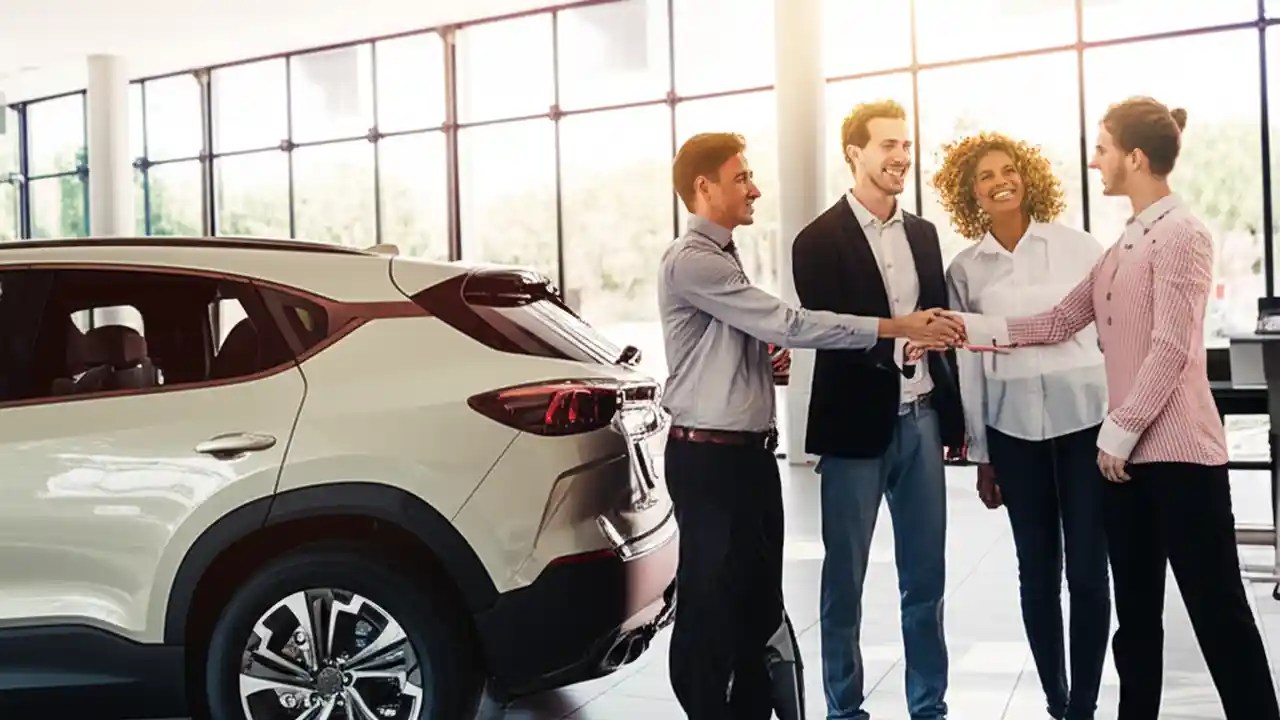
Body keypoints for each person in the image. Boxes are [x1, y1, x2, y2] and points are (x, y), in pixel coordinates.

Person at [951, 97, 1280, 720]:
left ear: (1134, 157)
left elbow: (1173, 348)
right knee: (1135, 627)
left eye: (1102, 149)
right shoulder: (1124, 244)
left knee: (1220, 616)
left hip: (1179, 457)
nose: (1095, 161)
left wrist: (1117, 435)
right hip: (1124, 466)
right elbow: (1057, 320)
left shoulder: (1183, 234)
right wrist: (961, 326)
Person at [659, 131, 963, 720]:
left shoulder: (725, 253)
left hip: (748, 456)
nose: (755, 188)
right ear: (703, 187)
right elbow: (789, 321)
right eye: (741, 177)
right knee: (709, 605)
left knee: (756, 603)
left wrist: (757, 362)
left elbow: (738, 335)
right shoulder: (692, 259)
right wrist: (895, 327)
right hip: (709, 460)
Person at [791, 99, 964, 720]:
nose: (900, 157)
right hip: (853, 429)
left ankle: (930, 707)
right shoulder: (815, 240)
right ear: (854, 153)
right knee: (845, 584)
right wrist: (897, 335)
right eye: (887, 145)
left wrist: (935, 338)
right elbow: (834, 330)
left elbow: (938, 318)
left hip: (921, 419)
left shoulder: (924, 234)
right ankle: (844, 709)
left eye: (905, 144)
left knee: (926, 581)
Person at [932, 131, 1111, 720]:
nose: (999, 181)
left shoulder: (1078, 247)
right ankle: (1057, 702)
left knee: (1087, 572)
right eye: (984, 176)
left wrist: (1120, 431)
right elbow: (971, 365)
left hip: (1084, 424)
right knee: (1037, 574)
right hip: (1014, 438)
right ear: (970, 192)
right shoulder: (965, 270)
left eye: (1008, 169)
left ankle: (1084, 702)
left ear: (1027, 175)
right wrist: (983, 453)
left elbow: (1109, 338)